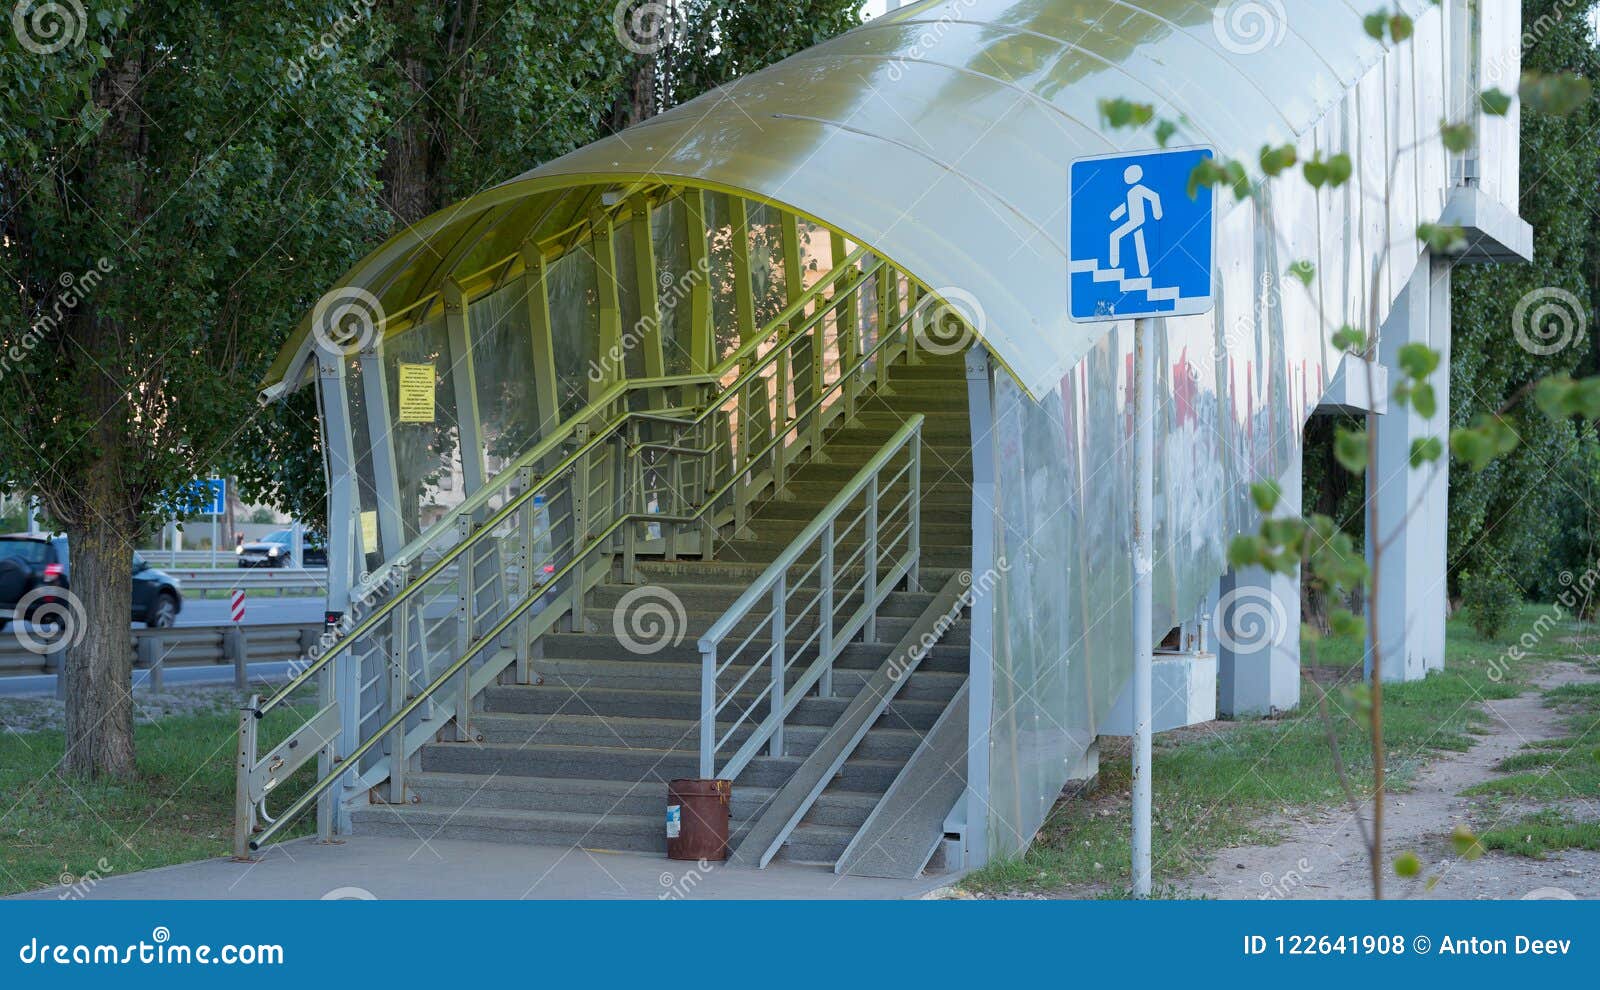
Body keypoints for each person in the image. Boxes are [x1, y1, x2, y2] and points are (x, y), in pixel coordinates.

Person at [1108, 164, 1163, 277]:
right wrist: (1115, 215)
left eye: (1127, 175)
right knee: (1139, 242)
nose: (1125, 177)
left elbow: (1154, 196)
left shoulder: (1139, 189)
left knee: (1114, 235)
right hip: (1135, 220)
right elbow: (1126, 207)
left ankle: (1113, 263)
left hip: (1137, 220)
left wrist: (1157, 214)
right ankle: (1144, 271)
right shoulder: (1130, 192)